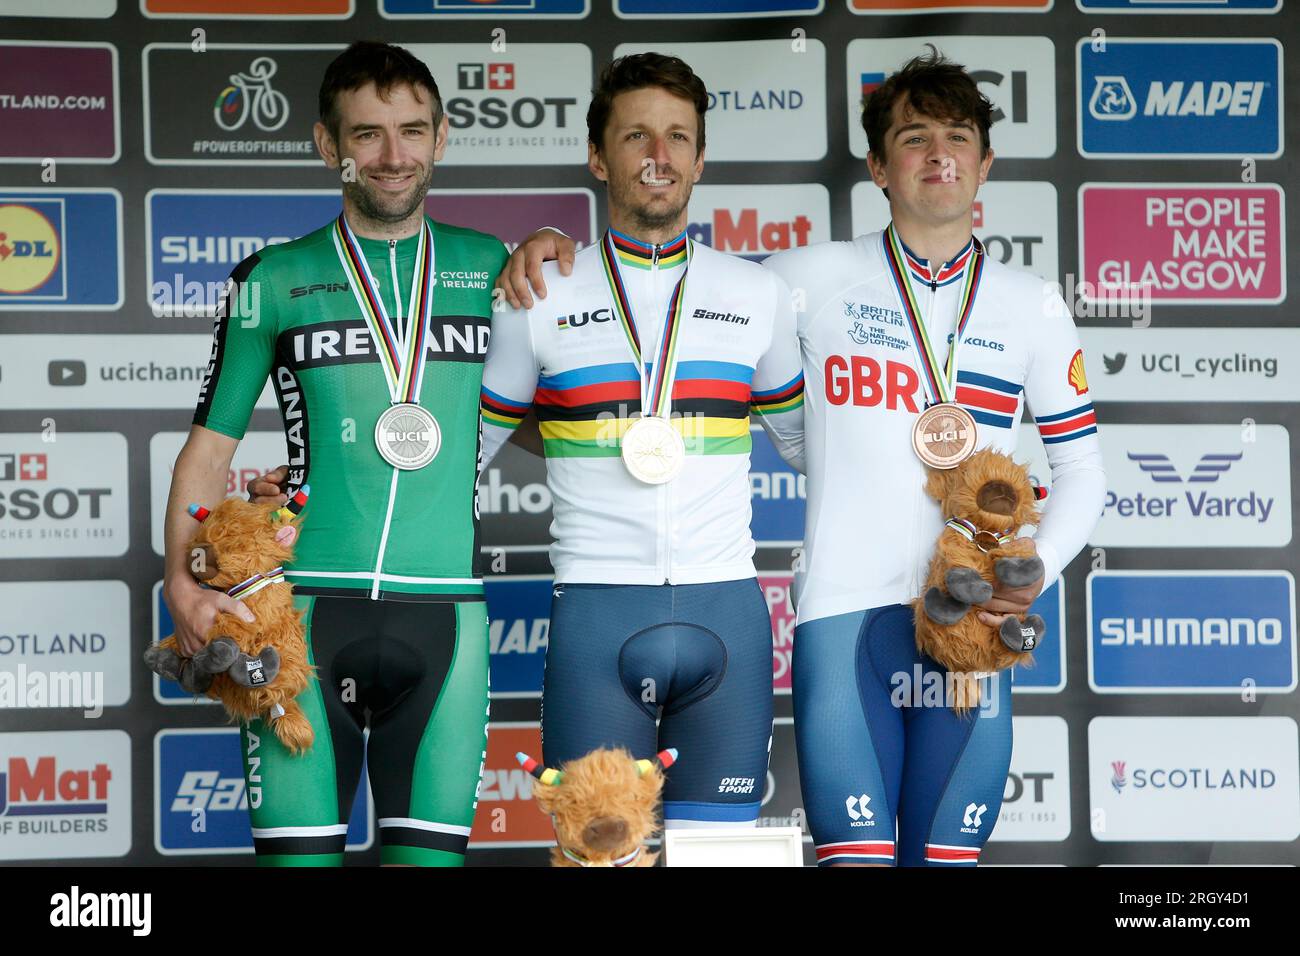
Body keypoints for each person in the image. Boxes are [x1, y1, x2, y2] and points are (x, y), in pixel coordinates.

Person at [500, 52, 1105, 865]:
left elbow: (1083, 473)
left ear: (986, 162)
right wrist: (542, 250)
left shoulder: (1032, 303)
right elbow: (656, 301)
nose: (938, 156)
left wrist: (1020, 581)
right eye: (914, 137)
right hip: (840, 618)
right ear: (876, 165)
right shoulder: (789, 283)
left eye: (958, 138)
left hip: (972, 624)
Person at [165, 41, 505, 867]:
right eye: (368, 135)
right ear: (329, 146)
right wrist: (179, 578)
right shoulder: (271, 279)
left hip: (447, 621)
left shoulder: (495, 269)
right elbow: (209, 449)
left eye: (412, 130)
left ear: (443, 136)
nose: (393, 156)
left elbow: (543, 424)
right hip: (301, 616)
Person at [480, 53, 805, 831]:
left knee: (716, 857)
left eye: (677, 137)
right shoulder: (537, 293)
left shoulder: (757, 293)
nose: (658, 156)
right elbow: (466, 455)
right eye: (635, 137)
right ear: (599, 157)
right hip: (596, 613)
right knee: (599, 859)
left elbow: (814, 453)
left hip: (727, 609)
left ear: (699, 158)